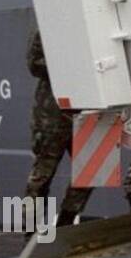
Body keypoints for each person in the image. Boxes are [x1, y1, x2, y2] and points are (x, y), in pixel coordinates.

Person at [23, 26, 91, 234]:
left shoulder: (96, 26)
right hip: (53, 114)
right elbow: (34, 64)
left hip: (89, 109)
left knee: (91, 171)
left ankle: (66, 223)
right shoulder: (49, 24)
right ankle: (30, 230)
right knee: (43, 175)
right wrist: (70, 67)